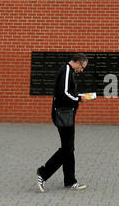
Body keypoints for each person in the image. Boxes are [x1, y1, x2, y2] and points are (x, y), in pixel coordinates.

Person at [37, 53, 96, 192]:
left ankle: (70, 181)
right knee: (67, 148)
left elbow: (67, 93)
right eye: (82, 67)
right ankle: (43, 173)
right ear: (77, 62)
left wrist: (79, 97)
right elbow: (63, 93)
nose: (82, 70)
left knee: (69, 148)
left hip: (66, 114)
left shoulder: (68, 71)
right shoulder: (66, 70)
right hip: (63, 115)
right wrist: (79, 99)